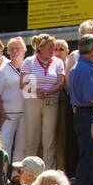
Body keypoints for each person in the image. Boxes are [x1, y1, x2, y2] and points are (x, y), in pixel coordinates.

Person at [68, 34, 93, 185]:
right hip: (87, 114)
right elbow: (92, 97)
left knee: (85, 157)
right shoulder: (86, 69)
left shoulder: (77, 66)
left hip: (80, 114)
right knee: (88, 158)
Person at [21, 34, 64, 169]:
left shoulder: (58, 62)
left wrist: (48, 92)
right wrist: (36, 91)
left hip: (51, 101)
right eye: (50, 47)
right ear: (40, 48)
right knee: (32, 139)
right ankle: (29, 172)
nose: (54, 49)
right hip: (32, 101)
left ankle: (49, 173)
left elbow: (60, 83)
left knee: (49, 140)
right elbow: (22, 83)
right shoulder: (29, 61)